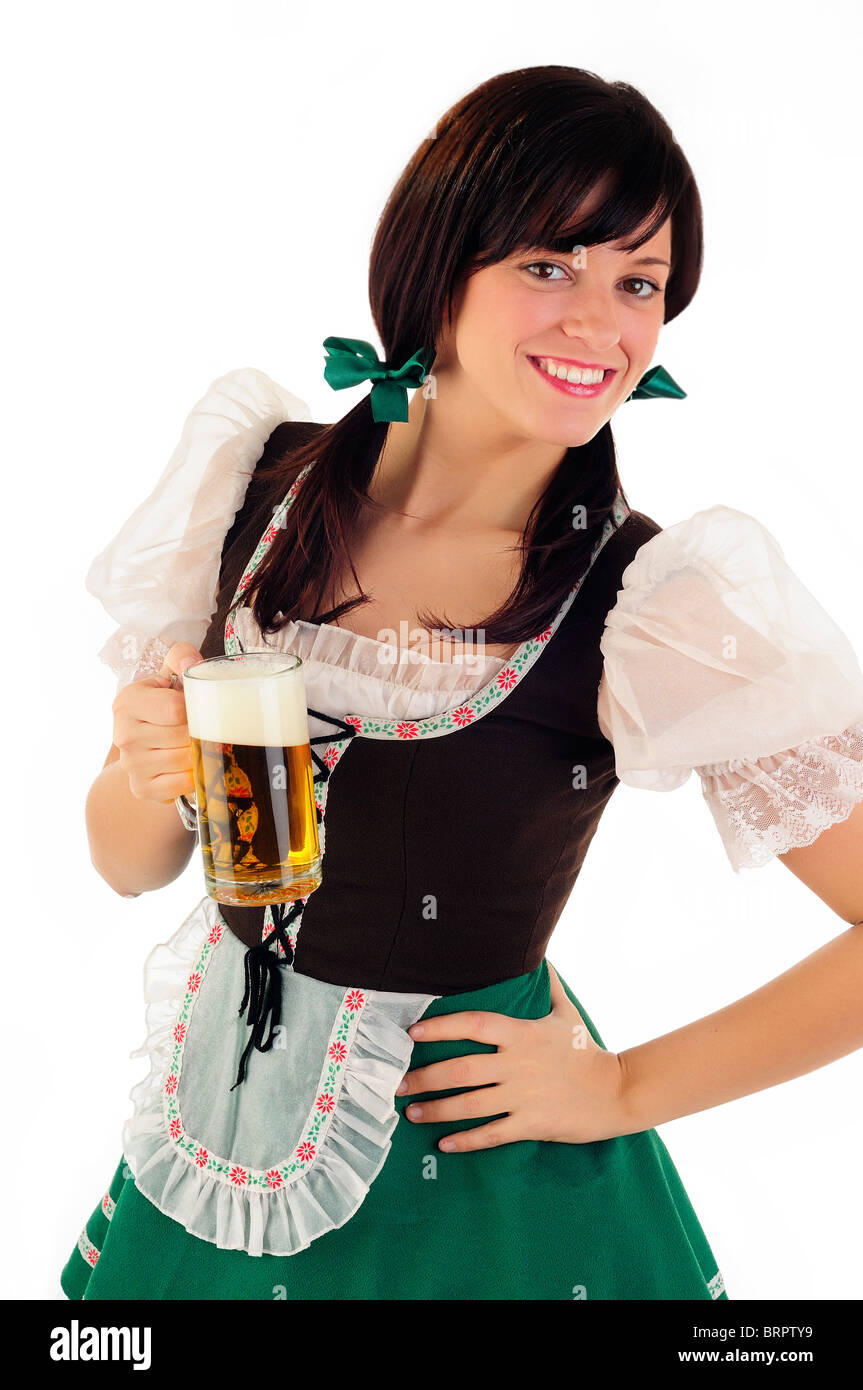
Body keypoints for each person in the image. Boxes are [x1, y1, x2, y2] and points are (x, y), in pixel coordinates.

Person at [63, 65, 863, 1301]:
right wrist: (140, 764)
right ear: (438, 267)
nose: (599, 325)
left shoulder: (654, 605)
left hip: (487, 1195)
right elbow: (129, 863)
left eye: (636, 283)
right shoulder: (253, 487)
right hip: (216, 1121)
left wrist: (622, 1085)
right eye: (549, 264)